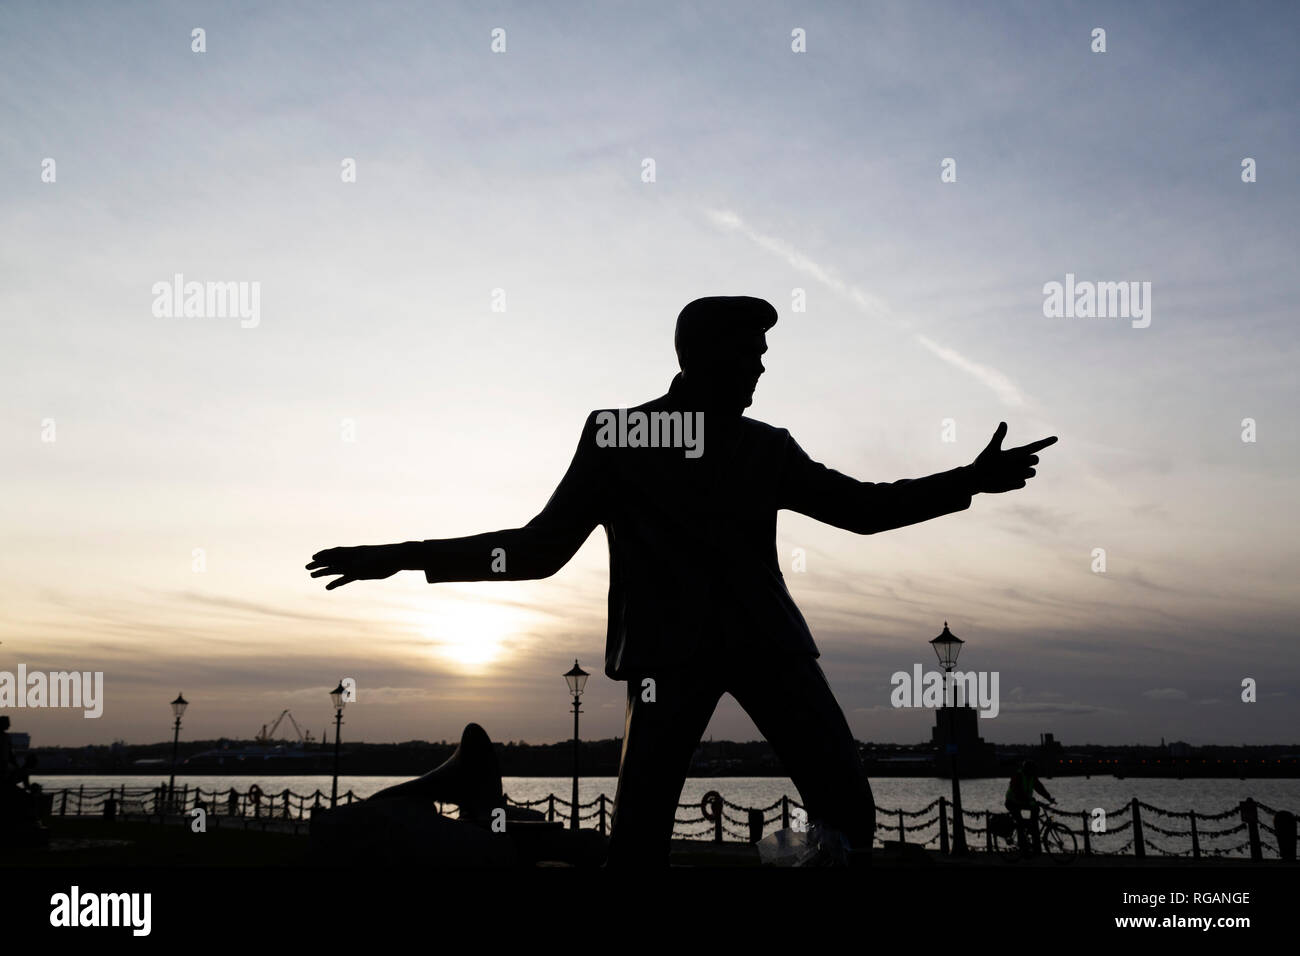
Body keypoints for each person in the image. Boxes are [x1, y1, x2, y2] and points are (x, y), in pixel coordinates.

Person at [307, 295, 1058, 865]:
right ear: (708, 354)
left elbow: (861, 509)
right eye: (753, 350)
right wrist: (407, 554)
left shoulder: (765, 446)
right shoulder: (621, 436)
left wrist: (967, 481)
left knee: (847, 815)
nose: (764, 364)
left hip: (766, 648)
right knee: (638, 841)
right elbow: (540, 548)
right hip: (673, 659)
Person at [1005, 758, 1055, 855]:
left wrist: (1049, 798)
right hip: (1012, 802)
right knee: (1020, 822)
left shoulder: (1032, 777)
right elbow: (1016, 791)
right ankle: (1022, 847)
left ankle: (1033, 830)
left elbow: (1039, 788)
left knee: (1036, 809)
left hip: (1024, 801)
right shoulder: (1018, 776)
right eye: (1033, 770)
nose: (1034, 773)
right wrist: (1028, 799)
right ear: (1027, 770)